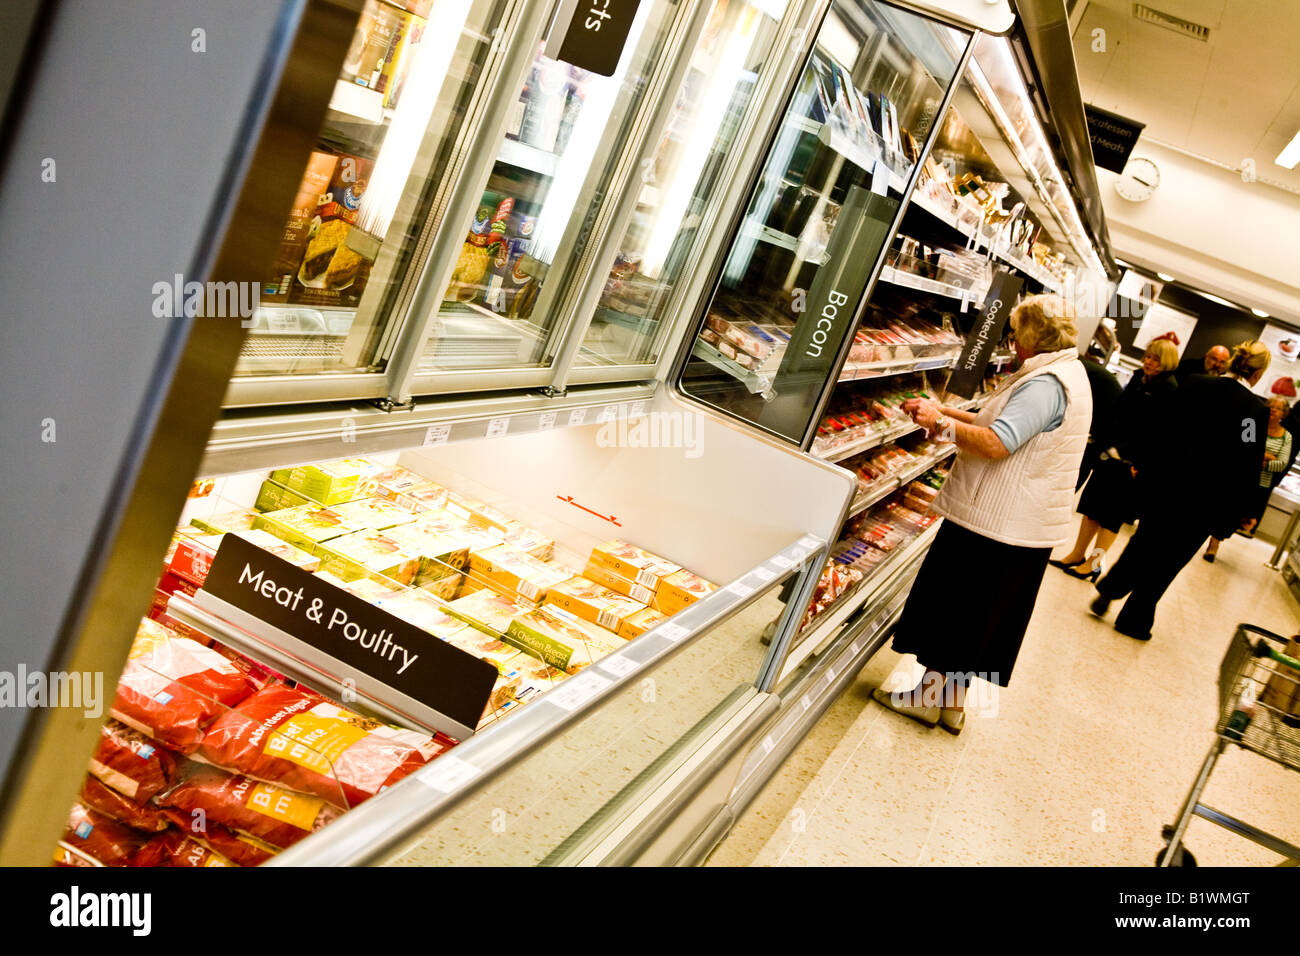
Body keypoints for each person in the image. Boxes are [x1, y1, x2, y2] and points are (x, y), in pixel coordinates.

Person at [872, 295, 1092, 734]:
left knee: (959, 608)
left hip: (997, 522)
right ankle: (951, 703)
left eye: (1016, 333)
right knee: (982, 618)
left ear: (1032, 336)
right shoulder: (1066, 373)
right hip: (1020, 527)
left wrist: (940, 425)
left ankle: (925, 697)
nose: (1013, 341)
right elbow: (998, 420)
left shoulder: (1047, 383)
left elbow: (997, 443)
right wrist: (943, 410)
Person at [1090, 341, 1270, 639]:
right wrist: (1245, 510)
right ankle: (1135, 617)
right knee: (1171, 558)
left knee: (1145, 540)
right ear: (1259, 372)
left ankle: (1111, 588)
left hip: (1167, 484)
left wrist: (1144, 464)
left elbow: (1165, 427)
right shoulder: (1253, 411)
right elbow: (1248, 459)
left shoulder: (1197, 385)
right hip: (1207, 499)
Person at [1052, 339, 1179, 580]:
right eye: (1148, 356)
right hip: (1110, 453)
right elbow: (1119, 411)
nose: (1149, 362)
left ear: (1167, 363)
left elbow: (1158, 433)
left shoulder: (1168, 389)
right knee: (1092, 508)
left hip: (1131, 463)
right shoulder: (1139, 377)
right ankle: (1078, 553)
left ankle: (1094, 563)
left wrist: (1137, 462)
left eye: (1155, 359)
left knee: (1111, 517)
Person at [1207, 396, 1293, 554]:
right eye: (1271, 405)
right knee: (1226, 511)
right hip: (1239, 478)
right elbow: (1242, 450)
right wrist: (1266, 456)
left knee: (1236, 518)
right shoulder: (1252, 425)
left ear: (1284, 414)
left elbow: (1281, 464)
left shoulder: (1286, 437)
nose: (1273, 409)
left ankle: (1218, 539)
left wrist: (1259, 458)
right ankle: (1213, 546)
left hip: (1260, 484)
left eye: (1278, 408)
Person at [1076, 353, 1124, 491]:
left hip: (1106, 427)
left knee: (1083, 464)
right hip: (1105, 425)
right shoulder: (1084, 366)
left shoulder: (1077, 368)